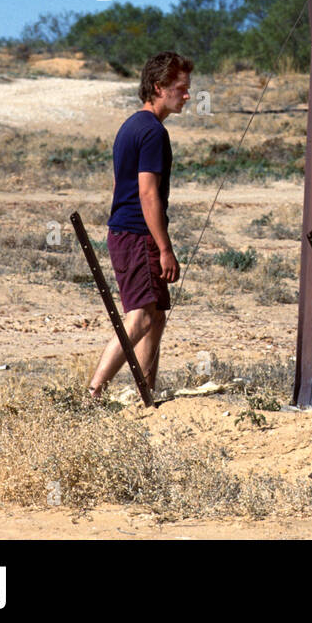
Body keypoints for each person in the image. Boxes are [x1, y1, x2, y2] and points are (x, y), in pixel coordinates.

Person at [88, 51, 193, 401]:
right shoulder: (152, 133)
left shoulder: (132, 125)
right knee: (141, 318)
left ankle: (146, 392)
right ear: (159, 87)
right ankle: (94, 391)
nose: (187, 95)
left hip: (126, 232)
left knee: (155, 315)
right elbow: (148, 194)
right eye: (181, 88)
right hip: (137, 235)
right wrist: (164, 248)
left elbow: (121, 186)